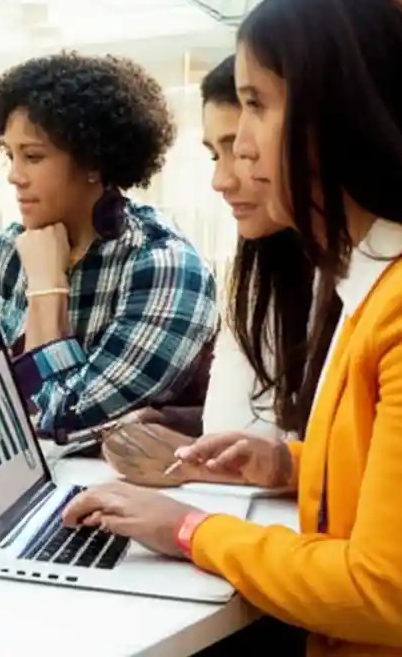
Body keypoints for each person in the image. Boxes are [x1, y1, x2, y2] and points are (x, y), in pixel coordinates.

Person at [64, 0, 402, 655]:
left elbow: (393, 594)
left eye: (258, 105)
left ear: (348, 112)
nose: (239, 147)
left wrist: (186, 529)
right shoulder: (381, 283)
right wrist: (293, 466)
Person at [103, 55, 319, 486]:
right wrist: (180, 423)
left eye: (239, 149)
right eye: (214, 153)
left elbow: (71, 409)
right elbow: (267, 413)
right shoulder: (267, 263)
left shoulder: (161, 261)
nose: (221, 179)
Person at [0, 52, 218, 436]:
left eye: (33, 157)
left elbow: (61, 419)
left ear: (94, 162)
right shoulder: (11, 252)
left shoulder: (163, 265)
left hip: (124, 486)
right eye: (10, 155)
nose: (13, 175)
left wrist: (47, 290)